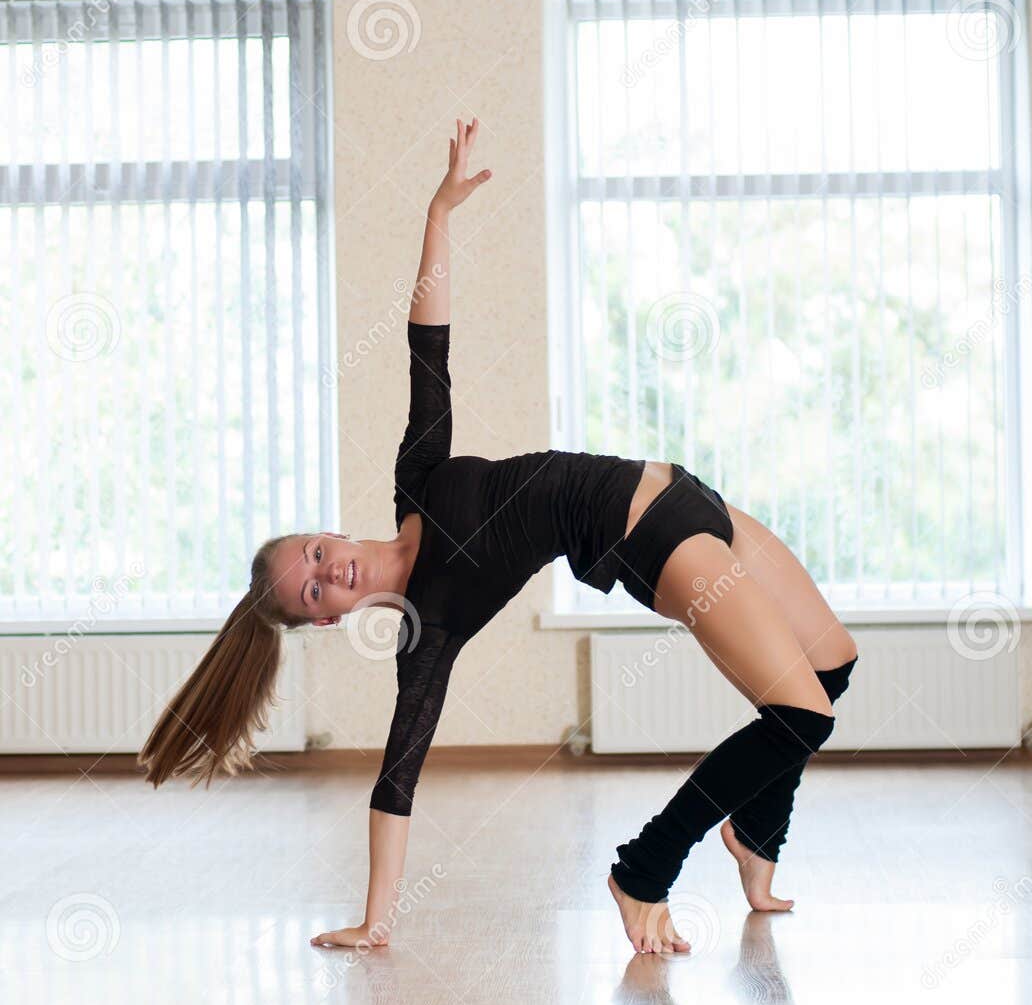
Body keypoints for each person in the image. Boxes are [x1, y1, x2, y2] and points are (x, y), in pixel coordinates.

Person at [139, 118, 858, 956]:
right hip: (641, 537)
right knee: (800, 714)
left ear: (323, 532)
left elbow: (427, 349)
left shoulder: (417, 478)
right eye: (312, 589)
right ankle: (644, 870)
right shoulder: (429, 630)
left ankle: (756, 840)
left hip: (686, 494)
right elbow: (395, 783)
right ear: (329, 616)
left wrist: (438, 214)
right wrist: (377, 920)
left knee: (831, 666)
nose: (325, 568)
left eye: (310, 551)